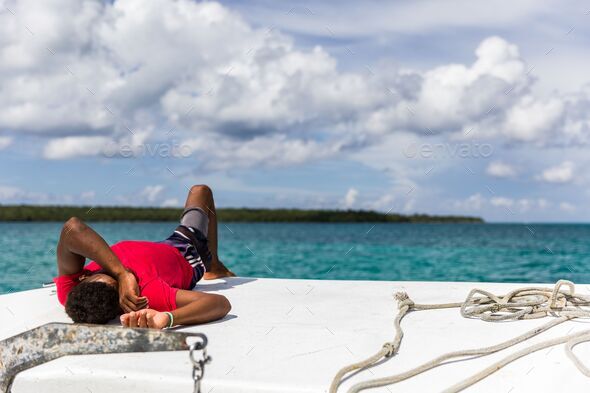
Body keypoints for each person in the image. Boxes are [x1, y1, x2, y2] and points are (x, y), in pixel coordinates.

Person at [53, 184, 235, 329]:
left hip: (159, 246)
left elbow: (72, 228)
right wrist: (167, 318)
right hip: (187, 249)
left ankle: (216, 266)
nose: (119, 278)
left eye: (106, 274)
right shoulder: (144, 296)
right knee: (200, 191)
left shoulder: (69, 292)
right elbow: (220, 304)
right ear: (120, 301)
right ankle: (213, 265)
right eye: (117, 285)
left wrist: (122, 274)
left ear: (83, 277)